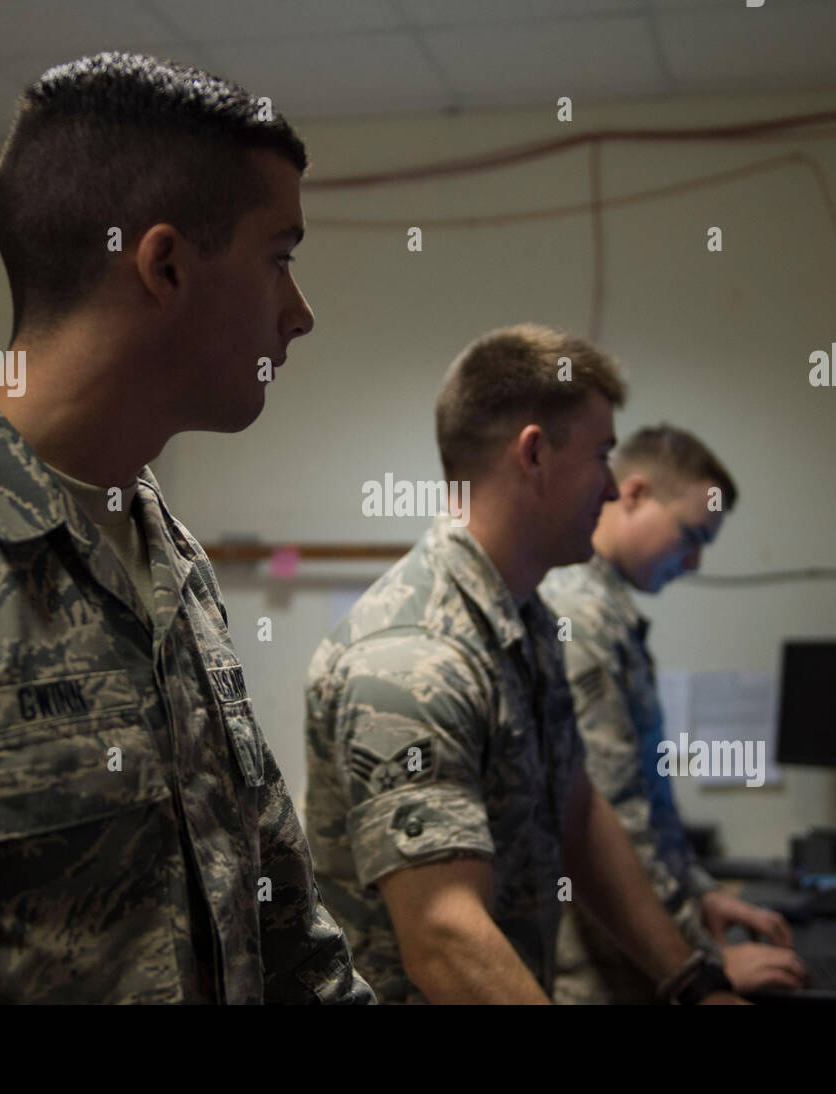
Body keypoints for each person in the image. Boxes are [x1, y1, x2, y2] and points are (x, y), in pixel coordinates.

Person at [0, 52, 372, 1005]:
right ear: (165, 264)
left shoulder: (168, 559)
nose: (301, 314)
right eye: (280, 258)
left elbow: (292, 948)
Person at [304, 325, 746, 1004]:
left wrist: (692, 980)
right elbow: (445, 937)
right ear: (535, 454)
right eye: (600, 456)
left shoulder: (527, 619)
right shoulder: (414, 655)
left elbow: (577, 809)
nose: (608, 489)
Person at [542, 424, 807, 1002]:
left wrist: (701, 890)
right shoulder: (580, 617)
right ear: (633, 494)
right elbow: (614, 816)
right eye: (692, 535)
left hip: (635, 960)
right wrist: (706, 964)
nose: (694, 560)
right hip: (607, 969)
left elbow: (646, 801)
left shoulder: (608, 611)